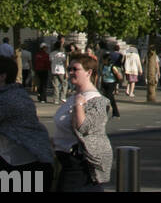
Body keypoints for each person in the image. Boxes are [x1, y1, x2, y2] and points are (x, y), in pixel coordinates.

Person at [53, 53, 112, 192]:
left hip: (81, 164)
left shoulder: (97, 100)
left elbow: (83, 127)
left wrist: (79, 105)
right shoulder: (73, 97)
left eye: (75, 69)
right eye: (69, 69)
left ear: (88, 72)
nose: (71, 72)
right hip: (66, 161)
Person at [0, 55, 54, 191]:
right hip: (21, 163)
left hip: (26, 166)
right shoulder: (16, 92)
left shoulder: (9, 99)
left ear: (2, 76)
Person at [98, 50, 122, 118]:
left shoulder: (112, 67)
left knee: (110, 98)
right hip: (105, 83)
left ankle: (116, 113)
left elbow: (118, 76)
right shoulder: (104, 66)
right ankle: (106, 113)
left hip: (111, 83)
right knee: (106, 98)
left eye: (104, 59)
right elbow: (102, 75)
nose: (103, 61)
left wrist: (117, 84)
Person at [49, 37, 68, 105]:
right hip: (62, 70)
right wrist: (66, 71)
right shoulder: (62, 54)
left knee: (55, 85)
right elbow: (65, 62)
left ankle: (56, 99)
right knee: (64, 84)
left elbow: (50, 61)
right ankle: (63, 96)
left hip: (54, 70)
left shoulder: (52, 54)